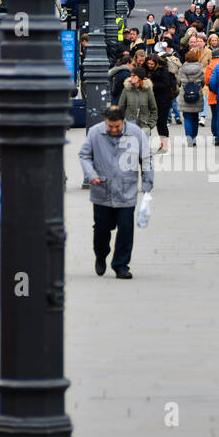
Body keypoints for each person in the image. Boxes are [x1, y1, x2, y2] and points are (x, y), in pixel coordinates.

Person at [78, 105, 153, 280]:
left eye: (116, 126)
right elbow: (84, 155)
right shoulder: (96, 132)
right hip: (102, 190)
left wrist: (148, 182)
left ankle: (121, 265)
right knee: (101, 230)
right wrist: (91, 174)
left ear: (123, 122)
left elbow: (147, 157)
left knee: (126, 229)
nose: (113, 130)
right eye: (110, 126)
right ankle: (101, 254)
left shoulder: (136, 133)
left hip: (126, 190)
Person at [117, 66, 159, 140]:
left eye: (134, 76)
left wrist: (150, 125)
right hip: (130, 125)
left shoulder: (148, 91)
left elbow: (154, 110)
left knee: (144, 150)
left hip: (144, 125)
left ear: (139, 77)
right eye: (131, 75)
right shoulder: (127, 90)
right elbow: (120, 108)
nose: (131, 77)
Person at [176, 45, 206, 146]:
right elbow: (203, 82)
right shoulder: (200, 68)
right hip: (197, 95)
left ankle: (189, 138)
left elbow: (179, 82)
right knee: (195, 117)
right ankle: (194, 138)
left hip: (185, 95)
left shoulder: (182, 69)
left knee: (187, 118)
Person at [146, 55, 175, 154]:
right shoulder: (146, 70)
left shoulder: (162, 71)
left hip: (163, 100)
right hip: (152, 100)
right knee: (153, 123)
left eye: (152, 64)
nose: (150, 65)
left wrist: (151, 84)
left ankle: (164, 146)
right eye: (148, 63)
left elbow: (165, 84)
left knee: (161, 123)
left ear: (156, 63)